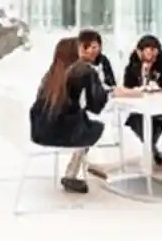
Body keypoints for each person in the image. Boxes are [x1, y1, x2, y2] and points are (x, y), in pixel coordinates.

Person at [29, 37, 110, 194]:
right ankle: (72, 173)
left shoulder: (51, 75)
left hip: (41, 132)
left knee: (83, 123)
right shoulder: (84, 71)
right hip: (65, 134)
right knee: (94, 127)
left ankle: (80, 166)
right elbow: (96, 106)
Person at [115, 35, 162, 167]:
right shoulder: (134, 63)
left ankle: (152, 150)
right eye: (147, 54)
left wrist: (154, 78)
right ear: (139, 52)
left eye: (154, 54)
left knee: (156, 119)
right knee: (136, 119)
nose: (151, 58)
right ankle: (153, 149)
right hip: (142, 103)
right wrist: (143, 74)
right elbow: (128, 86)